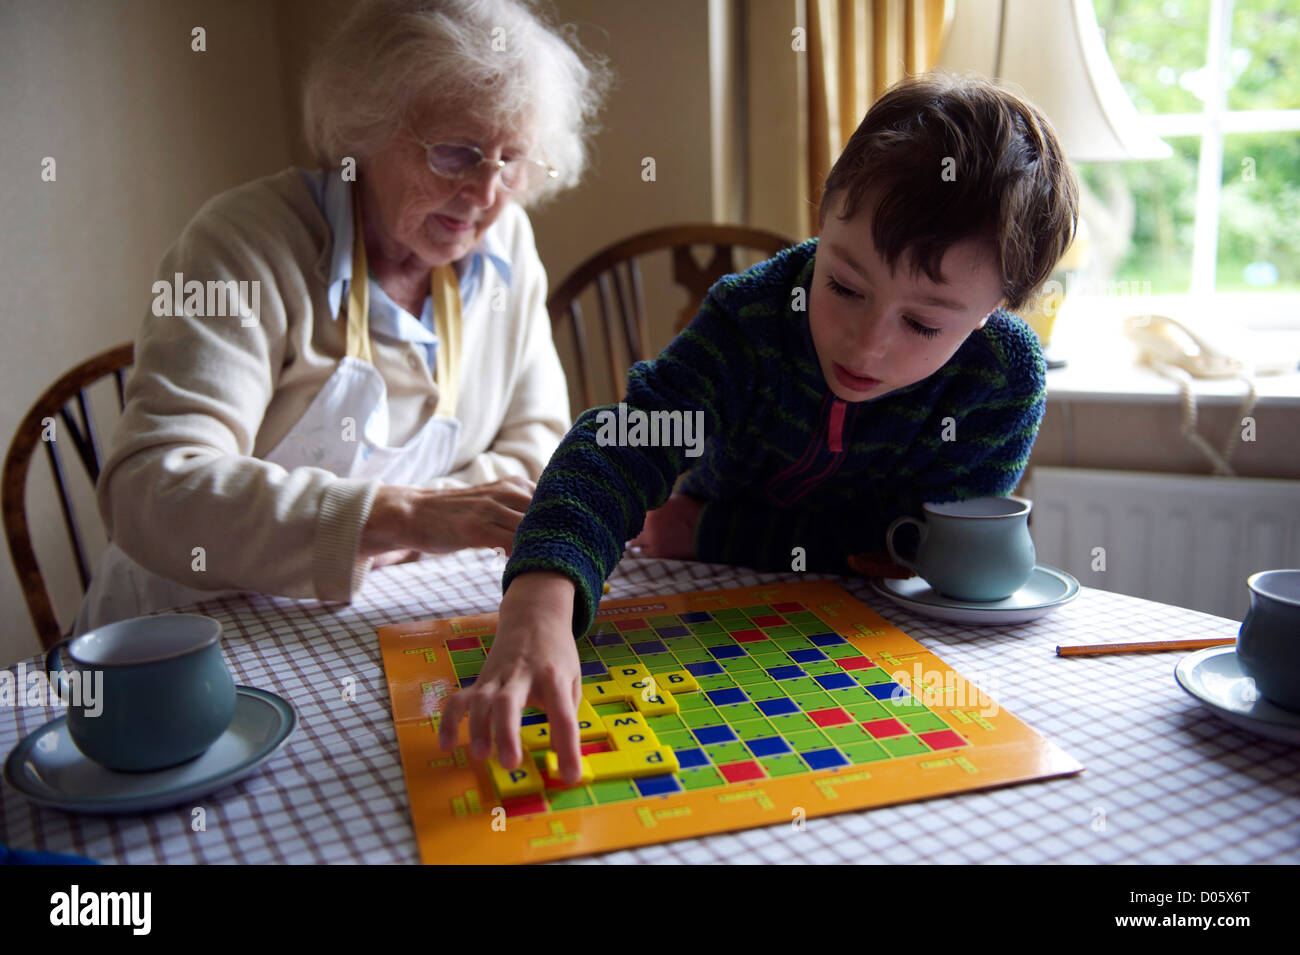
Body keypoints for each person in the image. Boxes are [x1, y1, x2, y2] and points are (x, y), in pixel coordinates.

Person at [438, 70, 1079, 782]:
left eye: (924, 322)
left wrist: (709, 528)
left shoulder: (1002, 378)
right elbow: (618, 448)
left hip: (871, 645)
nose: (866, 346)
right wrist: (539, 600)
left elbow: (912, 556)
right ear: (824, 217)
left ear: (999, 306)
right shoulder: (750, 323)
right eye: (843, 285)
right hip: (710, 603)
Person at [74, 0, 609, 634]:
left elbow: (538, 450)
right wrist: (403, 516)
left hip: (393, 606)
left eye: (511, 158)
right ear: (366, 129)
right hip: (192, 627)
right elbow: (154, 494)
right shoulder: (244, 243)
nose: (485, 194)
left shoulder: (504, 242)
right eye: (455, 153)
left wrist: (410, 527)